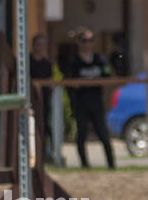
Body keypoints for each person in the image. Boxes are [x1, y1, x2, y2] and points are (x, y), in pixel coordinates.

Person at [60, 27, 116, 169]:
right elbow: (71, 82)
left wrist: (89, 82)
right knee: (81, 134)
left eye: (91, 40)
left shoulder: (100, 59)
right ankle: (84, 165)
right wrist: (85, 82)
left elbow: (107, 76)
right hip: (81, 103)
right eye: (84, 40)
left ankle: (111, 165)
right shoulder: (74, 61)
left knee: (103, 134)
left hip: (96, 101)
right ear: (79, 42)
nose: (88, 43)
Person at [28, 33, 54, 165]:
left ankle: (44, 155)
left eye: (43, 45)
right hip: (28, 100)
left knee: (44, 128)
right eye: (38, 44)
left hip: (43, 101)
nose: (41, 47)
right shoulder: (26, 61)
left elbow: (49, 83)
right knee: (28, 127)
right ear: (33, 45)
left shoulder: (47, 64)